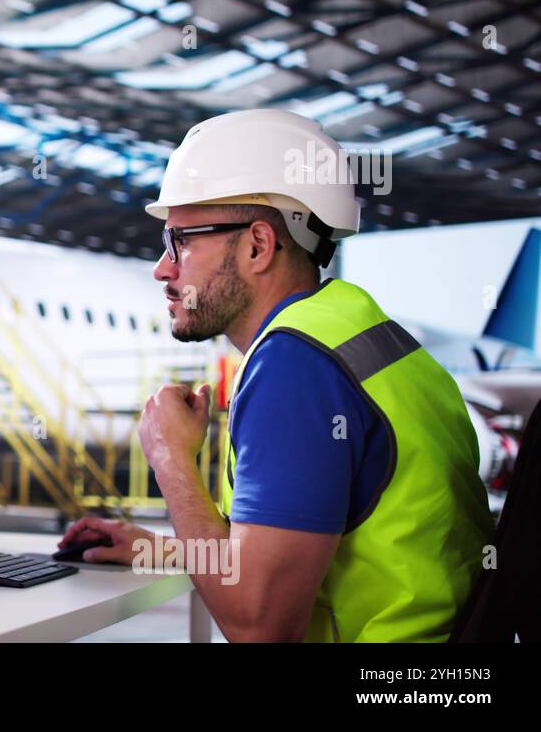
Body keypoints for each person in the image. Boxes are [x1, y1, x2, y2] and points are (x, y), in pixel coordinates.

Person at [60, 109, 494, 642]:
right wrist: (166, 549)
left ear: (258, 246)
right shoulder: (360, 335)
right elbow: (300, 549)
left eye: (182, 240)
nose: (163, 267)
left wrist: (172, 459)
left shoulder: (296, 367)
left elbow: (259, 627)